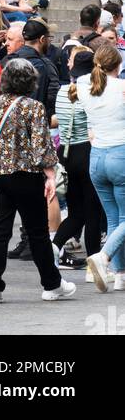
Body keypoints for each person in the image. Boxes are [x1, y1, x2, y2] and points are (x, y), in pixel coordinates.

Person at [0, 57, 74, 302]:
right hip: (25, 177)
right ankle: (51, 284)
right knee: (37, 231)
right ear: (31, 81)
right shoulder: (34, 107)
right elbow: (40, 146)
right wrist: (50, 174)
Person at [52, 46, 105, 275]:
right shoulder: (94, 91)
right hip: (86, 151)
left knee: (76, 212)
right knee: (93, 211)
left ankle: (53, 247)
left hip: (65, 152)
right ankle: (93, 263)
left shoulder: (63, 91)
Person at [78, 43, 125, 292]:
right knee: (123, 217)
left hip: (96, 157)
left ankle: (120, 274)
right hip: (120, 153)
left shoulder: (86, 85)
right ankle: (104, 257)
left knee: (114, 218)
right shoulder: (121, 87)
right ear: (118, 65)